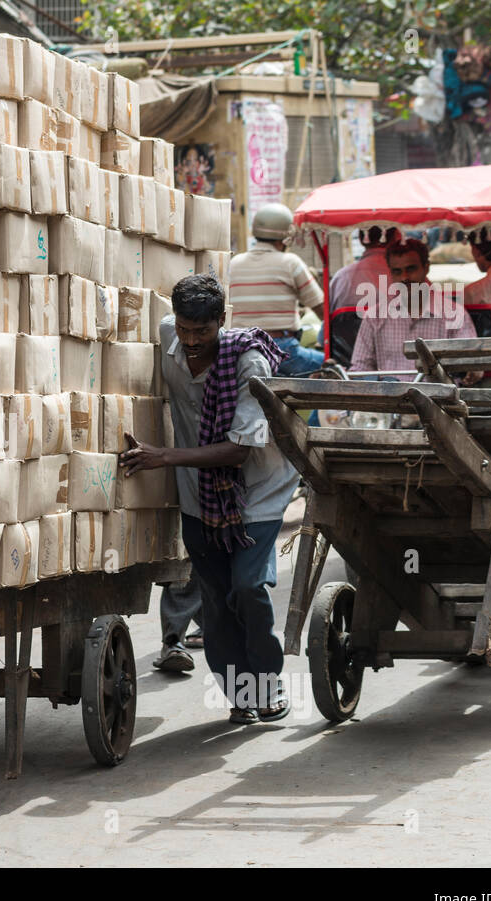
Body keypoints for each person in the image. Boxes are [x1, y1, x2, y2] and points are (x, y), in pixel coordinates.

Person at [121, 273, 298, 724]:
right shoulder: (167, 335)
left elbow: (240, 449)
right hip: (198, 497)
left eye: (203, 330)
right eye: (185, 328)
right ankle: (240, 694)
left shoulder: (249, 362)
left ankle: (269, 683)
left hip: (255, 494)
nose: (192, 340)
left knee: (249, 588)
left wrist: (164, 457)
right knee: (216, 601)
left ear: (223, 319)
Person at [350, 238, 480, 382]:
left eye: (411, 269)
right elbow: (360, 369)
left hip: (438, 399)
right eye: (397, 272)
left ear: (426, 268)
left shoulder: (454, 314)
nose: (404, 277)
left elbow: (470, 363)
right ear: (391, 273)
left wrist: (471, 371)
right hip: (390, 397)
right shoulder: (374, 317)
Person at [228, 202, 326, 376]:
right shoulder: (290, 262)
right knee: (332, 366)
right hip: (282, 350)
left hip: (239, 349)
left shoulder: (234, 263)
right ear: (286, 236)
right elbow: (322, 310)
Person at [329, 226, 399, 312]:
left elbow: (328, 319)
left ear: (360, 239)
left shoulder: (341, 277)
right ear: (397, 236)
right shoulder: (405, 276)